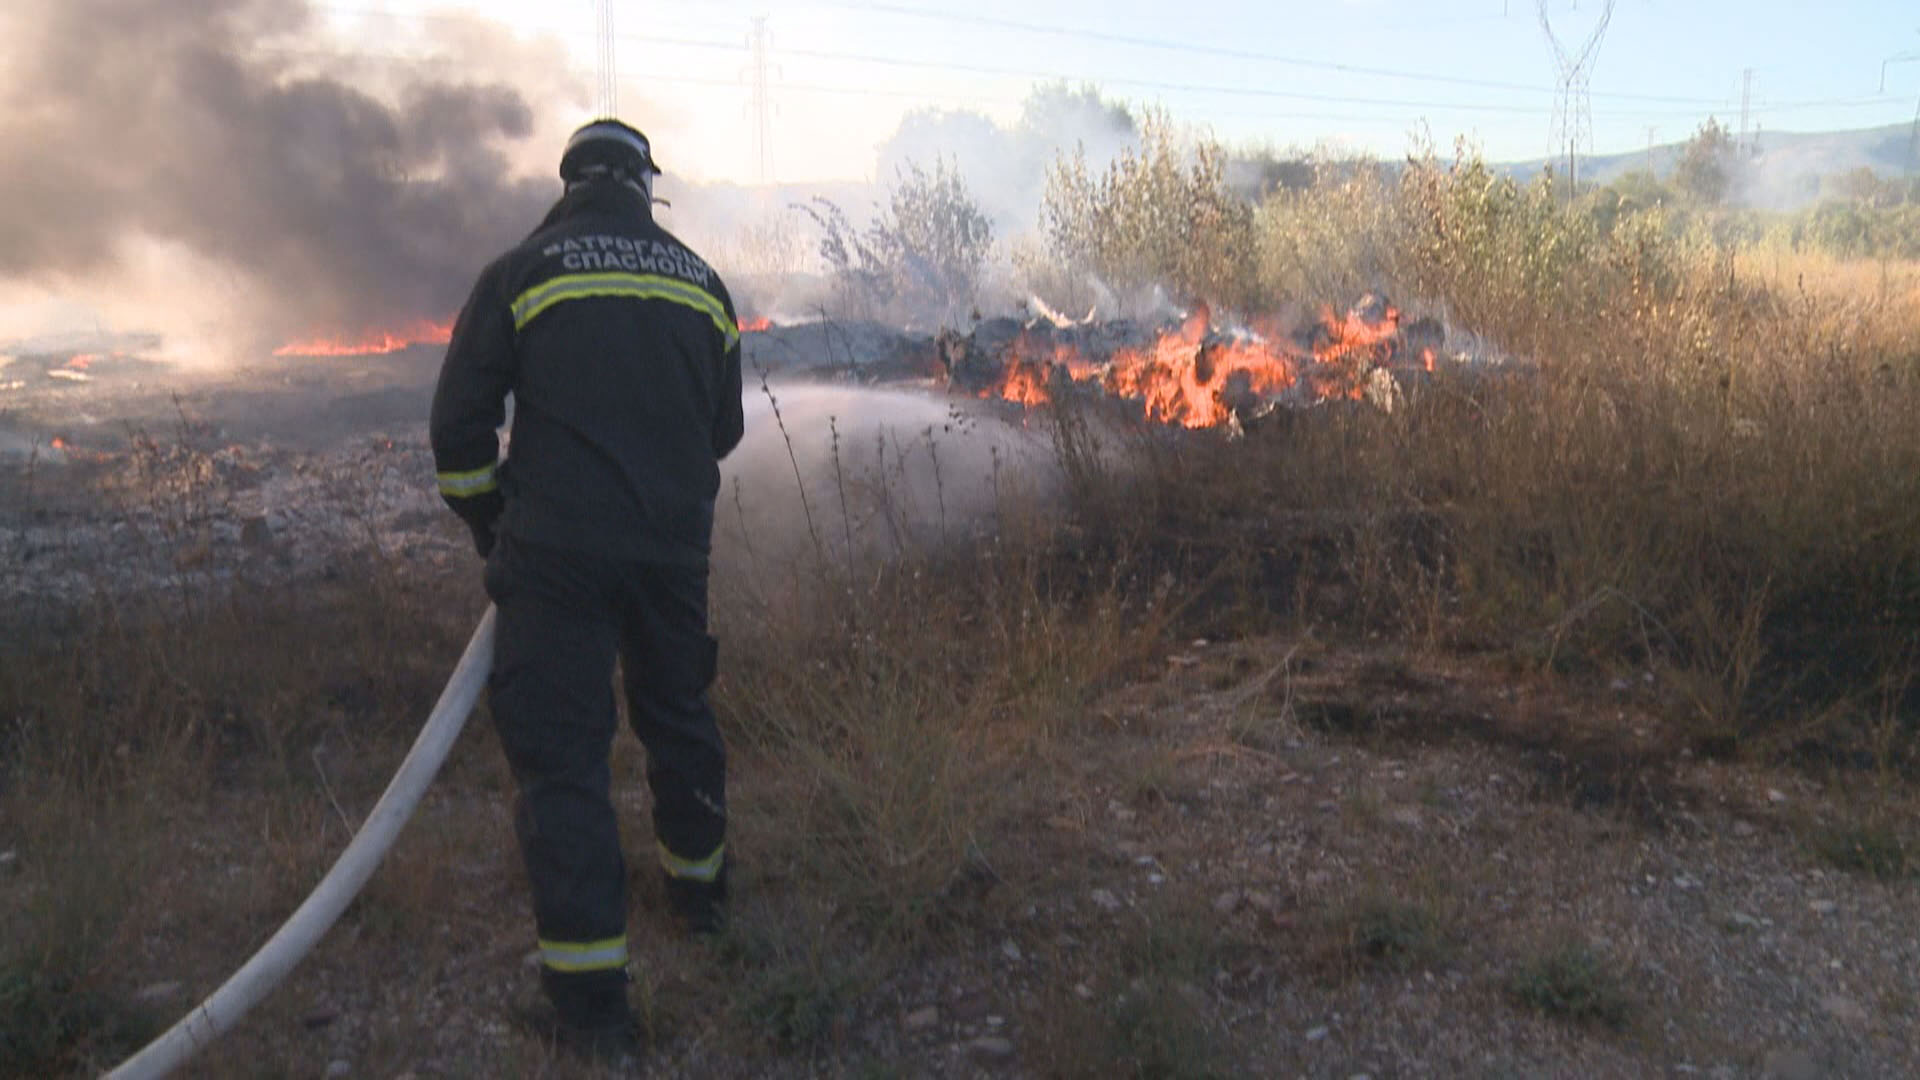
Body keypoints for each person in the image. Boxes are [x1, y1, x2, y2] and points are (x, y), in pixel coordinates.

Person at [429, 118, 745, 1060]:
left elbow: (458, 431)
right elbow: (722, 430)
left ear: (569, 185)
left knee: (563, 762)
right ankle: (703, 902)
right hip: (670, 552)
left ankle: (592, 1009)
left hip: (556, 559)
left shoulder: (521, 273)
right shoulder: (704, 285)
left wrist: (495, 524)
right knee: (680, 713)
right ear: (647, 186)